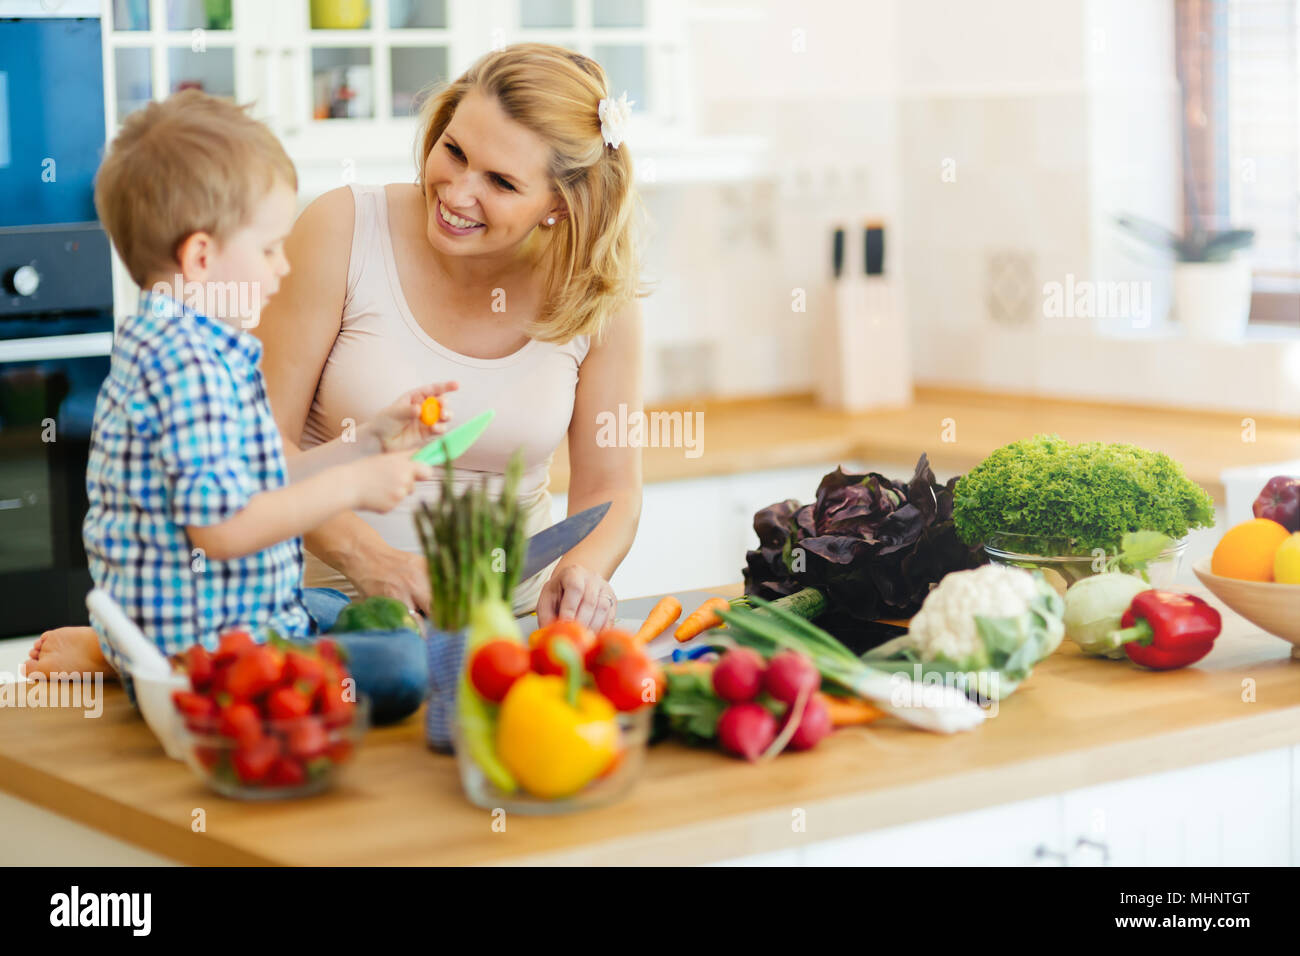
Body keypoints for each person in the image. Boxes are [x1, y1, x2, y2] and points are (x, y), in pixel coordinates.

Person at [26, 90, 454, 680]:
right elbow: (224, 530)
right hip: (211, 651)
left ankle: (117, 652)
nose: (284, 266)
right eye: (270, 248)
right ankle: (129, 663)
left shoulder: (188, 345)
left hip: (234, 617)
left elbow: (254, 477)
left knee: (346, 611)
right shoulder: (188, 367)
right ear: (201, 257)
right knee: (406, 663)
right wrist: (353, 486)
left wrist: (366, 444)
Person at [257, 43, 645, 634]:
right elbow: (257, 448)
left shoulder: (592, 290)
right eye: (455, 151)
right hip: (321, 618)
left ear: (560, 206)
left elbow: (611, 485)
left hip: (504, 628)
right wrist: (373, 563)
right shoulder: (342, 229)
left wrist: (584, 568)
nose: (458, 193)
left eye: (501, 182)